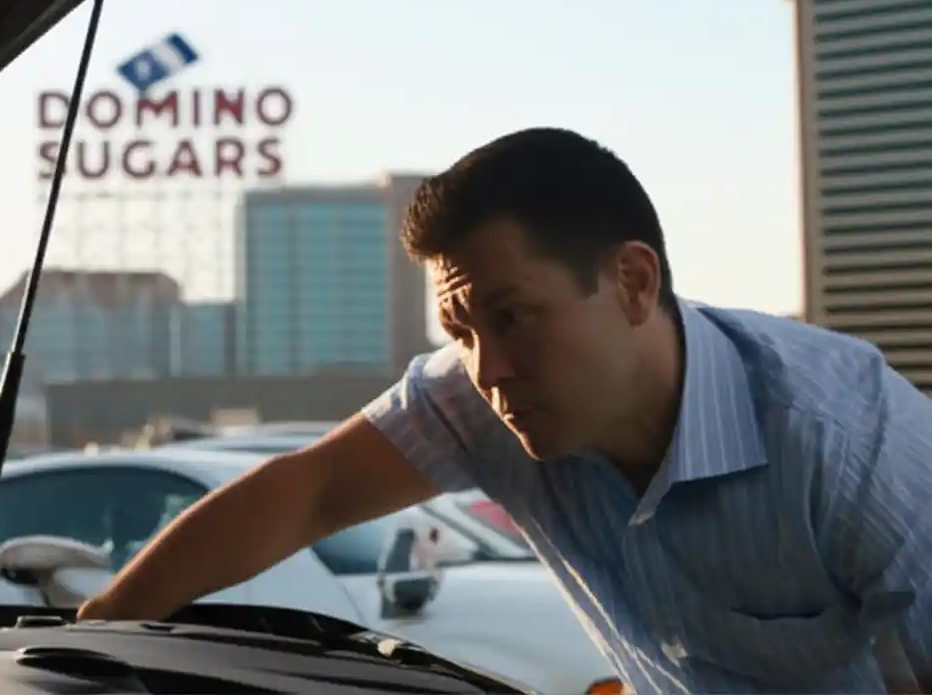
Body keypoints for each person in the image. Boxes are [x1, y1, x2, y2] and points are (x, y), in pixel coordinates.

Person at [77, 127, 932, 693]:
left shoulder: (843, 437)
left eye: (513, 315)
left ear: (633, 281)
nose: (486, 370)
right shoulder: (481, 395)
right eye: (459, 329)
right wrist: (93, 639)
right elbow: (311, 492)